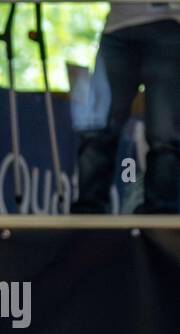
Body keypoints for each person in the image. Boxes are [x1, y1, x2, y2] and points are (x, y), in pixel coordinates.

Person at [72, 4, 180, 214]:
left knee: (165, 136)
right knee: (98, 128)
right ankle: (88, 213)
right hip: (118, 27)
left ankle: (160, 214)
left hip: (170, 25)